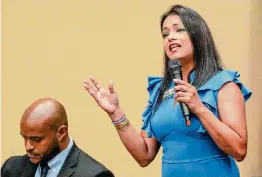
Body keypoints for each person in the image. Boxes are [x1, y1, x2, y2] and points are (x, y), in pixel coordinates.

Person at [83, 4, 252, 177]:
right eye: (165, 34)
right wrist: (116, 113)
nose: (170, 37)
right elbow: (144, 155)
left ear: (198, 36)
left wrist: (200, 109)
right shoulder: (160, 90)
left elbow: (239, 150)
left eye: (178, 30)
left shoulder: (223, 84)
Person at [1, 98, 114, 177]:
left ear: (61, 133)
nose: (28, 147)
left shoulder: (94, 174)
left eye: (36, 139)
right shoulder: (12, 168)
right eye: (25, 138)